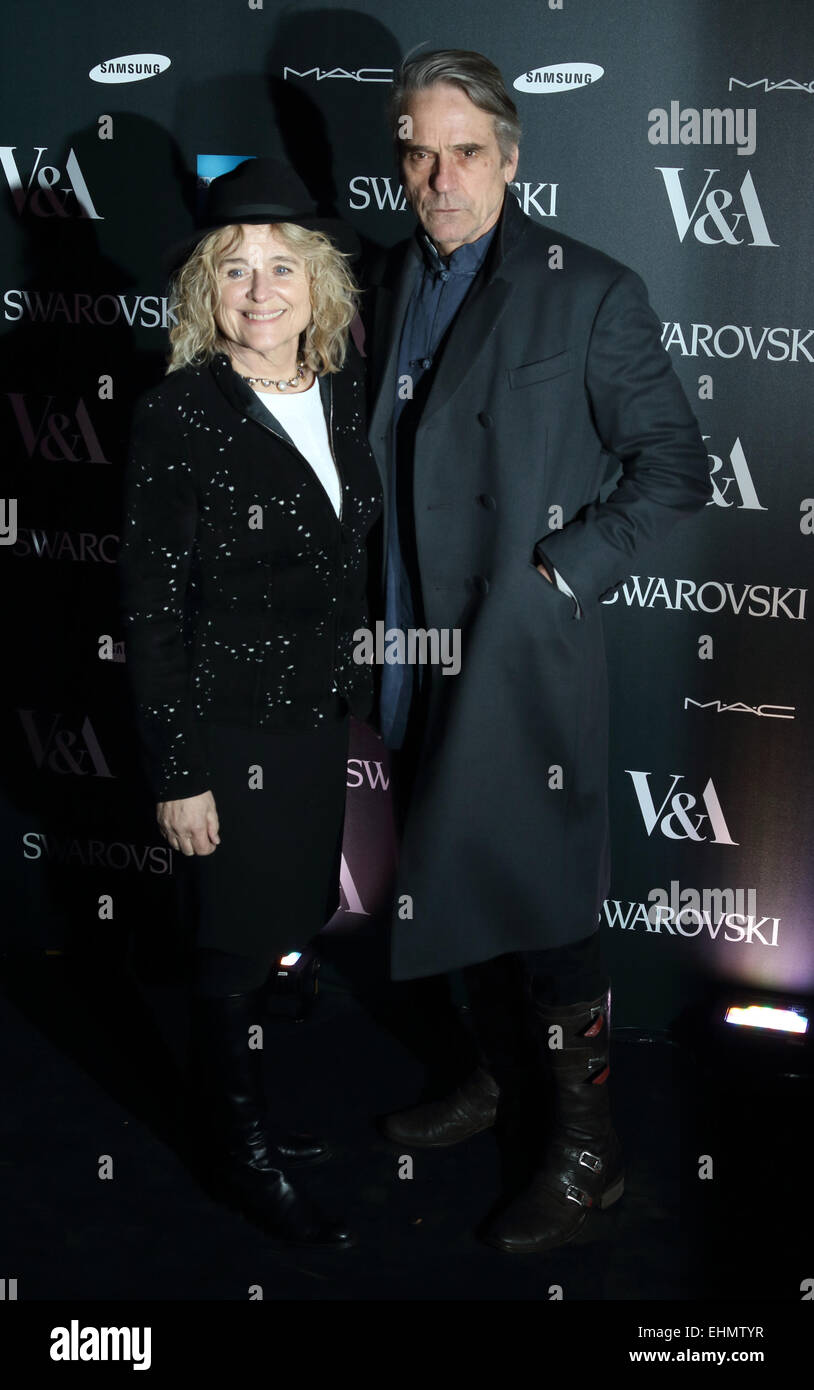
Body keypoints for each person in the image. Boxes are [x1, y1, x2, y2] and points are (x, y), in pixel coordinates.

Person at [361, 51, 713, 1253]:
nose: (440, 175)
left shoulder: (587, 290)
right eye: (418, 149)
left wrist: (565, 566)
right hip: (403, 649)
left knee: (548, 907)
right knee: (441, 875)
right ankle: (494, 1079)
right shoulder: (379, 279)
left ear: (511, 156)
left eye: (465, 150)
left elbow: (676, 466)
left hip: (515, 659)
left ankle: (588, 1155)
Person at [118, 158, 382, 1248]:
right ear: (205, 291)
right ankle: (240, 1155)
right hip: (226, 728)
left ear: (319, 282)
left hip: (315, 718)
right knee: (232, 951)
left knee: (283, 923)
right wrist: (177, 769)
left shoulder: (344, 389)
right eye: (236, 270)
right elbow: (148, 609)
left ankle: (241, 1122)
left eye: (283, 267)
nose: (261, 289)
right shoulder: (178, 413)